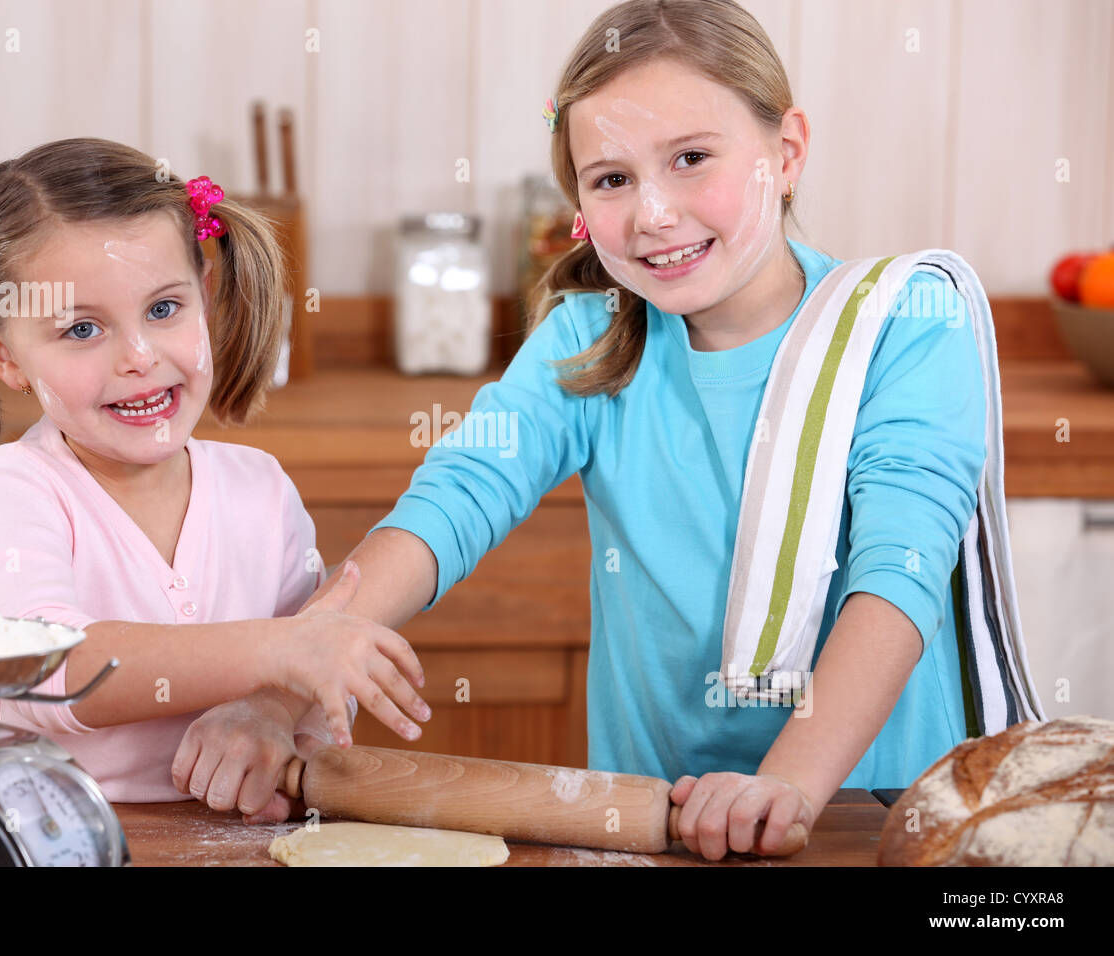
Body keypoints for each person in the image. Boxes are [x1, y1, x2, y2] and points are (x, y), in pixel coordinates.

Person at [297, 0, 998, 860]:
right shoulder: (587, 340)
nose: (654, 214)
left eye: (691, 159)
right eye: (612, 178)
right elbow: (455, 500)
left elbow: (903, 569)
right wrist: (296, 668)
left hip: (873, 812)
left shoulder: (905, 322)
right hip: (650, 822)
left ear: (786, 151)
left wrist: (787, 783)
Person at [0, 137, 430, 815]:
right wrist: (281, 648)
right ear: (3, 355)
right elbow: (49, 667)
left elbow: (307, 702)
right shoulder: (6, 496)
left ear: (204, 297)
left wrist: (287, 723)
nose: (139, 357)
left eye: (163, 310)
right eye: (80, 330)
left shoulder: (262, 491)